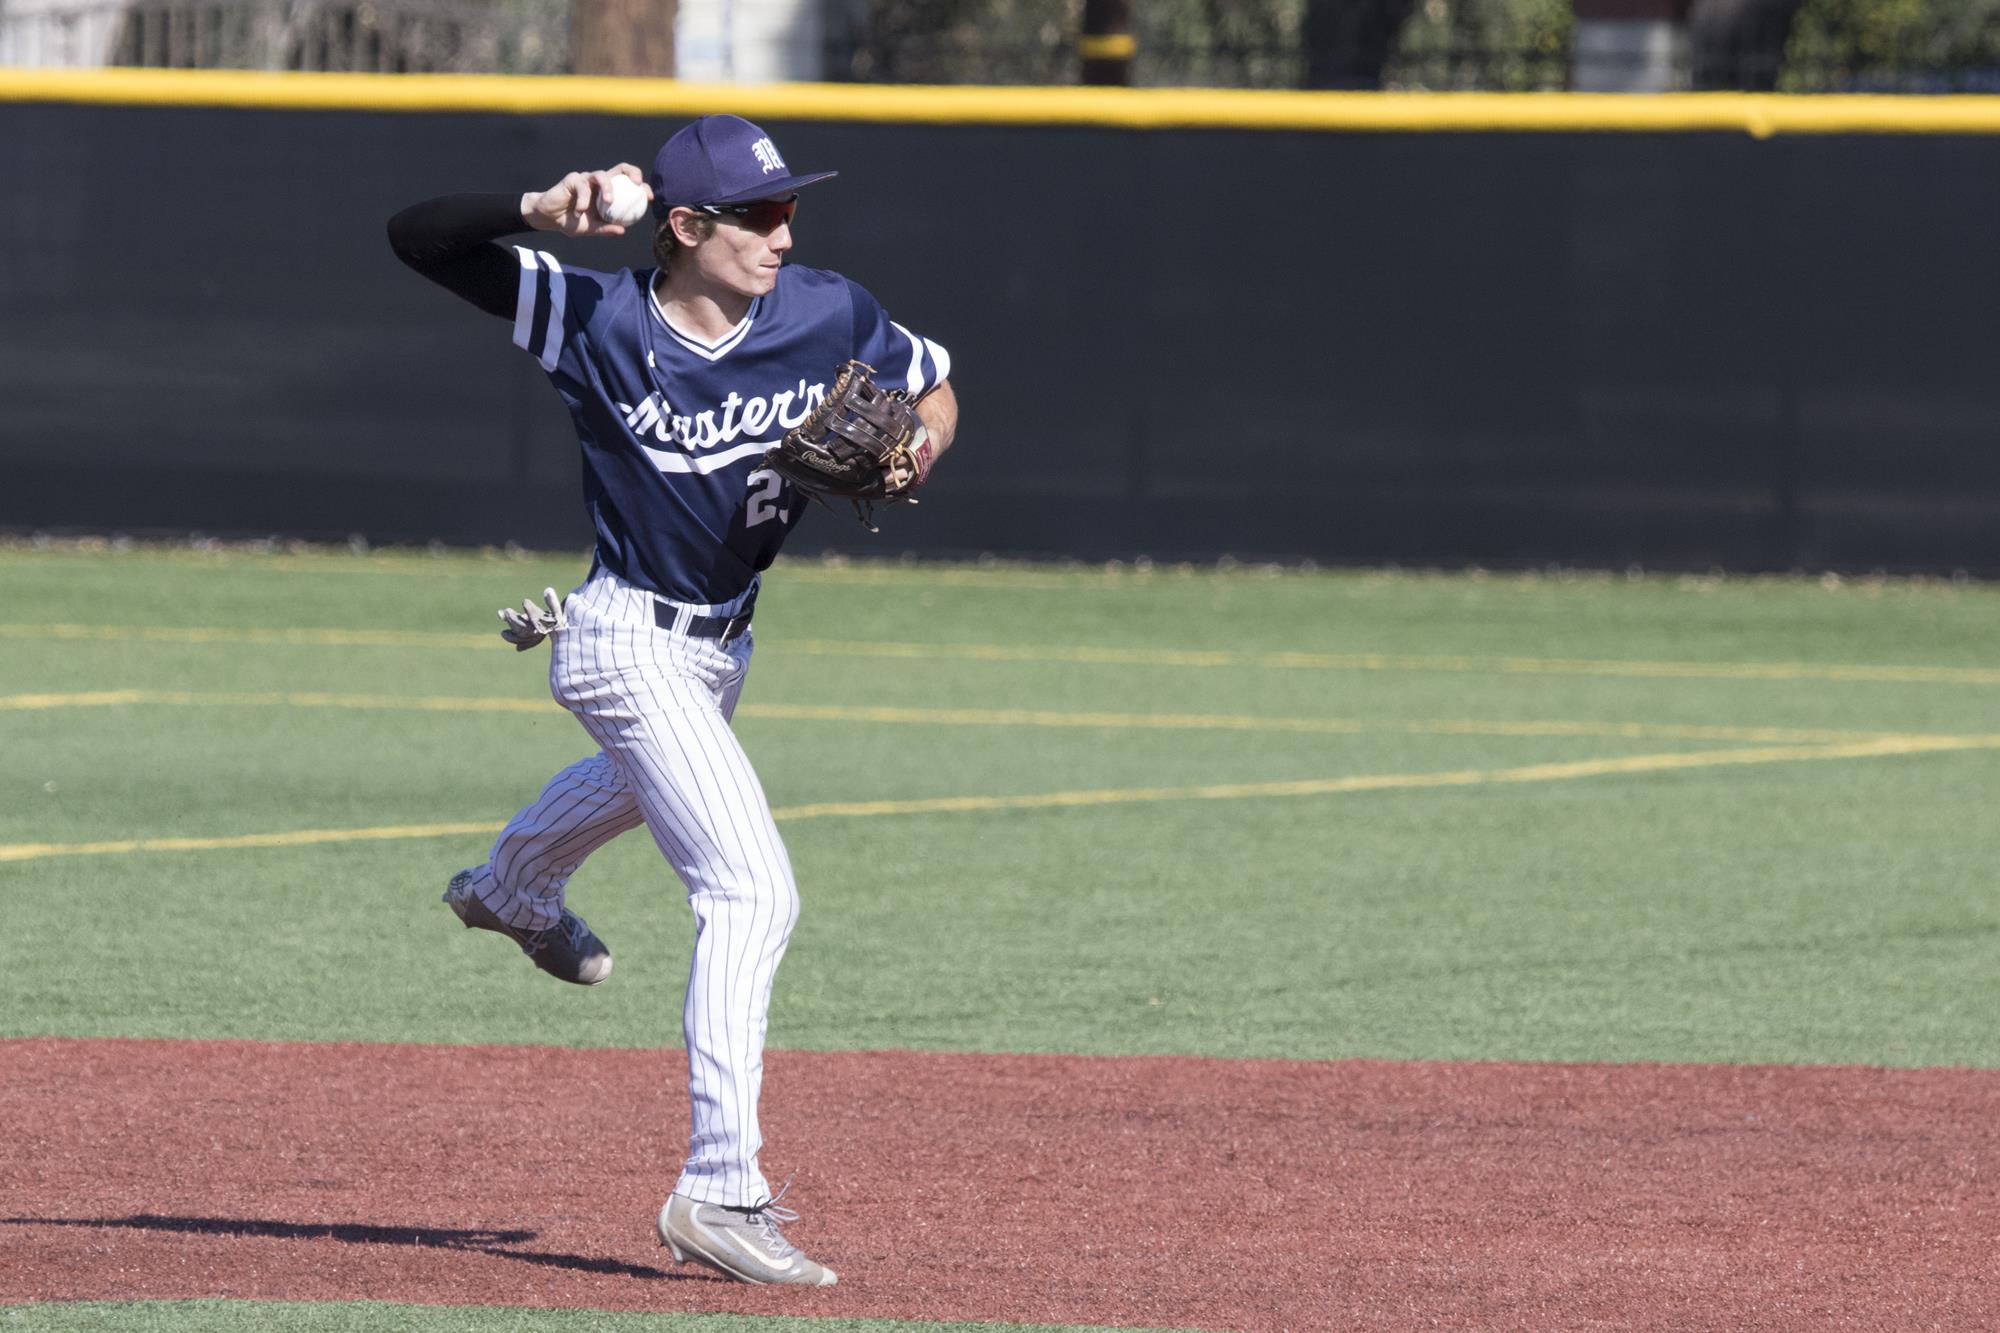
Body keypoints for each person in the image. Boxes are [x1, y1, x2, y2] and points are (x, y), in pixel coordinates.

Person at [386, 114, 957, 1288]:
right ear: (685, 226)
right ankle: (718, 1188)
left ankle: (509, 888)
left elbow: (934, 383)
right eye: (758, 214)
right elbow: (415, 238)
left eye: (789, 208)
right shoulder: (593, 318)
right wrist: (535, 210)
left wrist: (914, 451)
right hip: (620, 635)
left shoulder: (826, 310)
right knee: (750, 889)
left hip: (720, 648)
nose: (781, 233)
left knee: (635, 786)